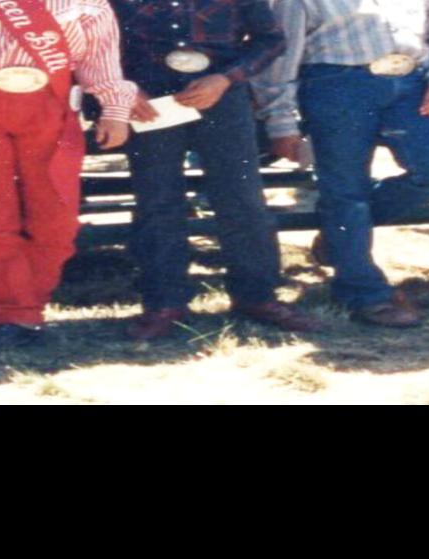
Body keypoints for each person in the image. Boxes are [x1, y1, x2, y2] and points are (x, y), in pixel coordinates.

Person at [0, 0, 132, 348]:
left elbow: (100, 57)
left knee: (57, 215)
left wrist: (114, 108)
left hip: (50, 102)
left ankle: (29, 303)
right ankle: (11, 313)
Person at [115, 0, 323, 340]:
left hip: (221, 98)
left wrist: (226, 79)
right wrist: (122, 86)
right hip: (148, 100)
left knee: (242, 199)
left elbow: (270, 40)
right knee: (156, 201)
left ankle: (257, 297)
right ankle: (163, 304)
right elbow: (96, 43)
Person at [255, 0, 429, 328]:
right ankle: (365, 293)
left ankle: (339, 236)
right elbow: (281, 57)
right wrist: (281, 120)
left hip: (411, 85)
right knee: (345, 192)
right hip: (337, 86)